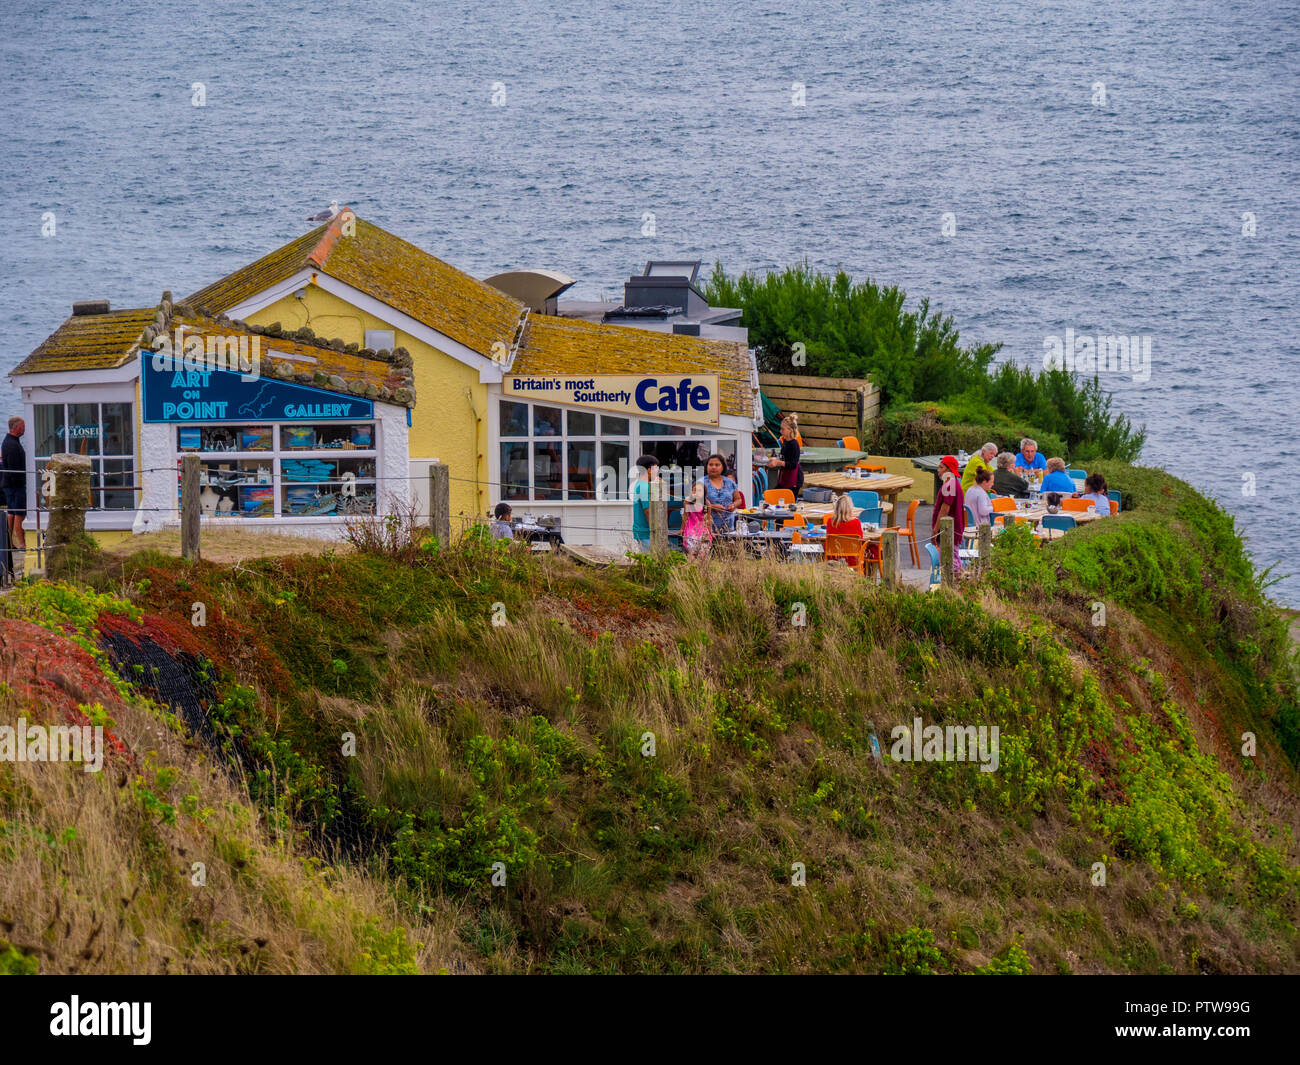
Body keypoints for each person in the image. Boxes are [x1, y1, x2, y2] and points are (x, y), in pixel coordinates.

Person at [2, 416, 26, 577]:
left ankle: (10, 541)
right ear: (15, 427)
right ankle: (21, 542)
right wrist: (20, 480)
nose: (24, 429)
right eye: (22, 426)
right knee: (18, 512)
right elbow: (13, 466)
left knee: (12, 511)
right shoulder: (11, 444)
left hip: (10, 484)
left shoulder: (9, 441)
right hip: (15, 484)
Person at [931, 455, 965, 568]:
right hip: (950, 530)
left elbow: (944, 509)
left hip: (949, 531)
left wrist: (935, 530)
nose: (938, 470)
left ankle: (952, 585)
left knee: (949, 563)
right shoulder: (951, 483)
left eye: (941, 467)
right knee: (952, 560)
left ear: (949, 469)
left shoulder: (950, 485)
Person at [701, 453, 743, 533]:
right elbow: (693, 506)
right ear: (706, 467)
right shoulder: (700, 483)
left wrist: (733, 505)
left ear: (723, 467)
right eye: (710, 465)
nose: (713, 467)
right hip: (706, 529)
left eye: (717, 465)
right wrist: (712, 507)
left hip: (728, 527)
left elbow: (738, 499)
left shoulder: (730, 482)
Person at [631, 454, 660, 551]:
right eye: (656, 468)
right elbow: (647, 510)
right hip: (646, 532)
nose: (657, 471)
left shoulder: (639, 483)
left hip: (641, 530)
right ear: (649, 470)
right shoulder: (644, 486)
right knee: (651, 561)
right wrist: (654, 529)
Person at [767, 417, 802, 494]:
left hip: (794, 479)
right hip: (785, 477)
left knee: (786, 502)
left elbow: (793, 464)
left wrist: (777, 462)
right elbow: (784, 457)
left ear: (790, 430)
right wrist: (774, 459)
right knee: (773, 494)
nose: (780, 431)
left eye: (783, 429)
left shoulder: (794, 444)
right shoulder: (786, 442)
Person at [682, 478, 711, 556]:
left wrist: (711, 532)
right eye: (694, 490)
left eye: (699, 490)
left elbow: (708, 518)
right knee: (692, 552)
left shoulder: (706, 503)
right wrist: (682, 529)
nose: (696, 492)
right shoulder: (688, 502)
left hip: (702, 529)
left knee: (702, 553)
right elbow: (685, 516)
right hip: (691, 528)